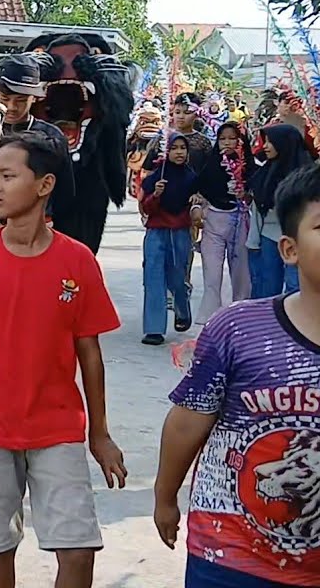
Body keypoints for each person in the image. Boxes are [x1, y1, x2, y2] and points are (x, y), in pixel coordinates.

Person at [0, 131, 127, 588]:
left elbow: (90, 354)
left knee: (78, 552)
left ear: (44, 185)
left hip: (56, 429)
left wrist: (99, 433)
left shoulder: (76, 262)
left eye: (8, 175)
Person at [153, 162, 320, 587]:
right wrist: (164, 496)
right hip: (230, 552)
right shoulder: (239, 330)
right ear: (289, 249)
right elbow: (189, 420)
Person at [0, 53, 75, 225]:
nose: (11, 107)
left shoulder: (51, 137)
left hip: (38, 225)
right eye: (5, 99)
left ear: (35, 98)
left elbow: (65, 192)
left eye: (21, 100)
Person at [192, 121, 255, 323]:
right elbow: (199, 190)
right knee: (212, 273)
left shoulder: (250, 167)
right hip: (213, 222)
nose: (227, 143)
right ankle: (210, 318)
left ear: (240, 141)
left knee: (241, 274)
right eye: (222, 139)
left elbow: (257, 193)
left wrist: (245, 194)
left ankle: (241, 314)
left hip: (241, 221)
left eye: (232, 138)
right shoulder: (210, 166)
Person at [139, 134, 198, 345]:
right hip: (156, 233)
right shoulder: (154, 179)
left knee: (177, 278)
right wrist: (155, 195)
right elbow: (146, 208)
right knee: (153, 278)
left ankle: (182, 308)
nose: (179, 152)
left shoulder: (193, 179)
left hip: (180, 233)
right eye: (174, 148)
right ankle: (154, 329)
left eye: (183, 148)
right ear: (166, 152)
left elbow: (199, 204)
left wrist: (196, 201)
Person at [248, 123, 311, 297]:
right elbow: (258, 207)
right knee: (268, 288)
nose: (265, 147)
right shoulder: (265, 172)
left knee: (295, 287)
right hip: (269, 236)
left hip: (297, 239)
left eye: (270, 142)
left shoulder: (306, 176)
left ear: (284, 143)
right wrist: (253, 240)